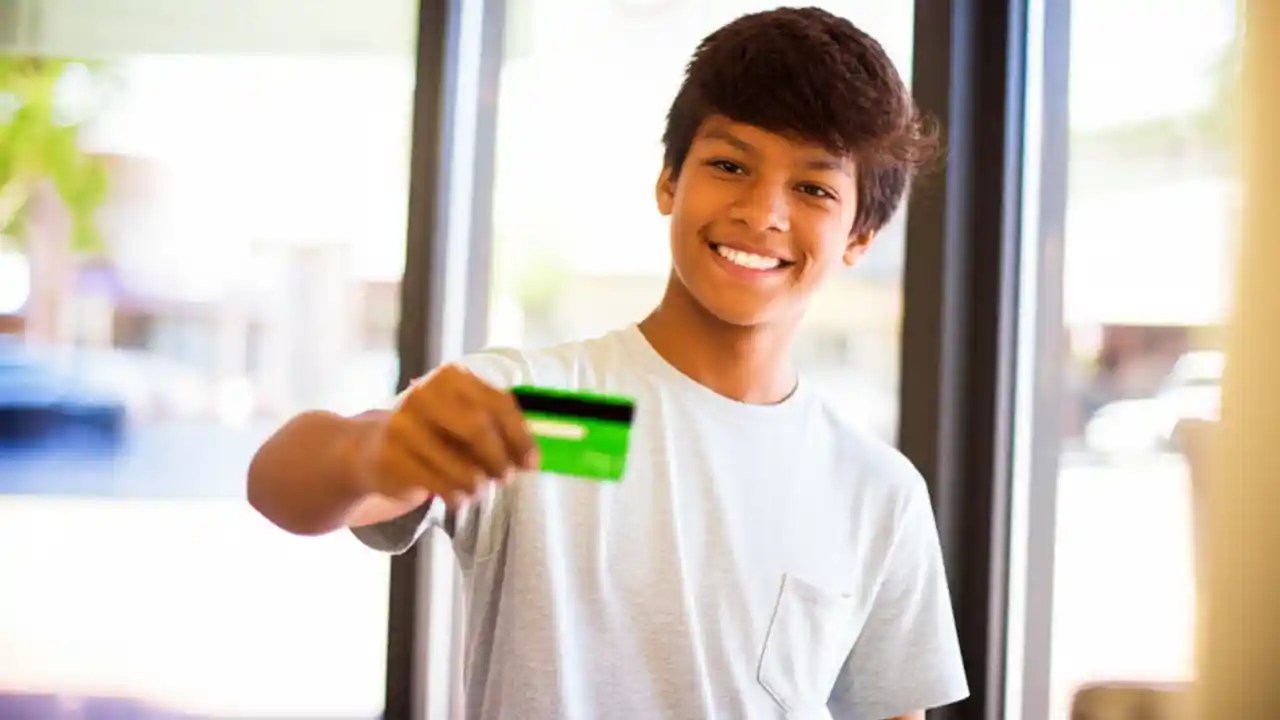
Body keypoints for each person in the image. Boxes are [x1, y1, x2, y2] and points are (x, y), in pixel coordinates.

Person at [248, 7, 968, 719]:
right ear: (669, 183)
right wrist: (373, 454)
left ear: (860, 237)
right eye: (728, 164)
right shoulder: (567, 418)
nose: (763, 212)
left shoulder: (871, 489)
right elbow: (280, 484)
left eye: (813, 188)